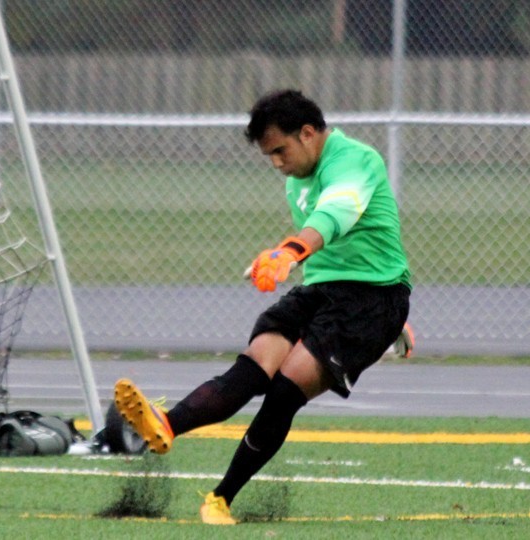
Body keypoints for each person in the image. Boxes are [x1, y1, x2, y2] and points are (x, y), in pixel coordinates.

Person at [114, 89, 411, 525]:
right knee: (253, 368)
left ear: (308, 134)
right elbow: (342, 249)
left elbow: (337, 215)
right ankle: (166, 425)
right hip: (321, 291)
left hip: (371, 300)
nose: (276, 163)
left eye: (280, 150)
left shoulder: (355, 161)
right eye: (268, 154)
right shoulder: (297, 181)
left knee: (284, 392)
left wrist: (289, 252)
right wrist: (291, 257)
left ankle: (220, 499)